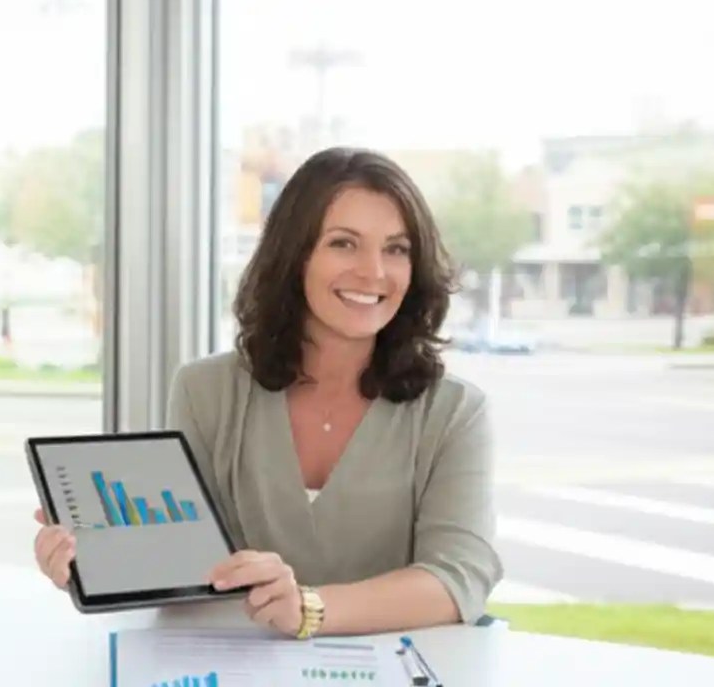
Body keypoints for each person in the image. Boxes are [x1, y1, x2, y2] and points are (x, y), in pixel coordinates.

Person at [32, 146, 502, 638]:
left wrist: (308, 609)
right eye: (344, 244)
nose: (373, 272)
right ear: (294, 254)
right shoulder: (205, 391)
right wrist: (94, 569)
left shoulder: (455, 412)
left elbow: (458, 578)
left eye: (396, 249)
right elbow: (186, 566)